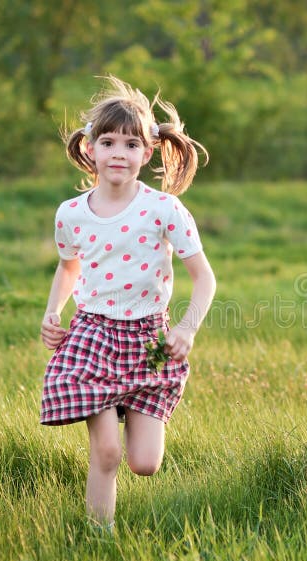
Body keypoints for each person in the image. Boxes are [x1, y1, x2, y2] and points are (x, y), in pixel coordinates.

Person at [39, 75, 216, 532]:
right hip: (93, 335)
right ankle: (100, 539)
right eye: (110, 142)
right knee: (107, 454)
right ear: (90, 147)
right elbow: (68, 268)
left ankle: (123, 401)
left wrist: (186, 329)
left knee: (144, 463)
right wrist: (52, 312)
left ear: (148, 152)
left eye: (132, 144)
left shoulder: (165, 209)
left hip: (149, 340)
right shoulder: (71, 213)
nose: (119, 153)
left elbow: (204, 278)